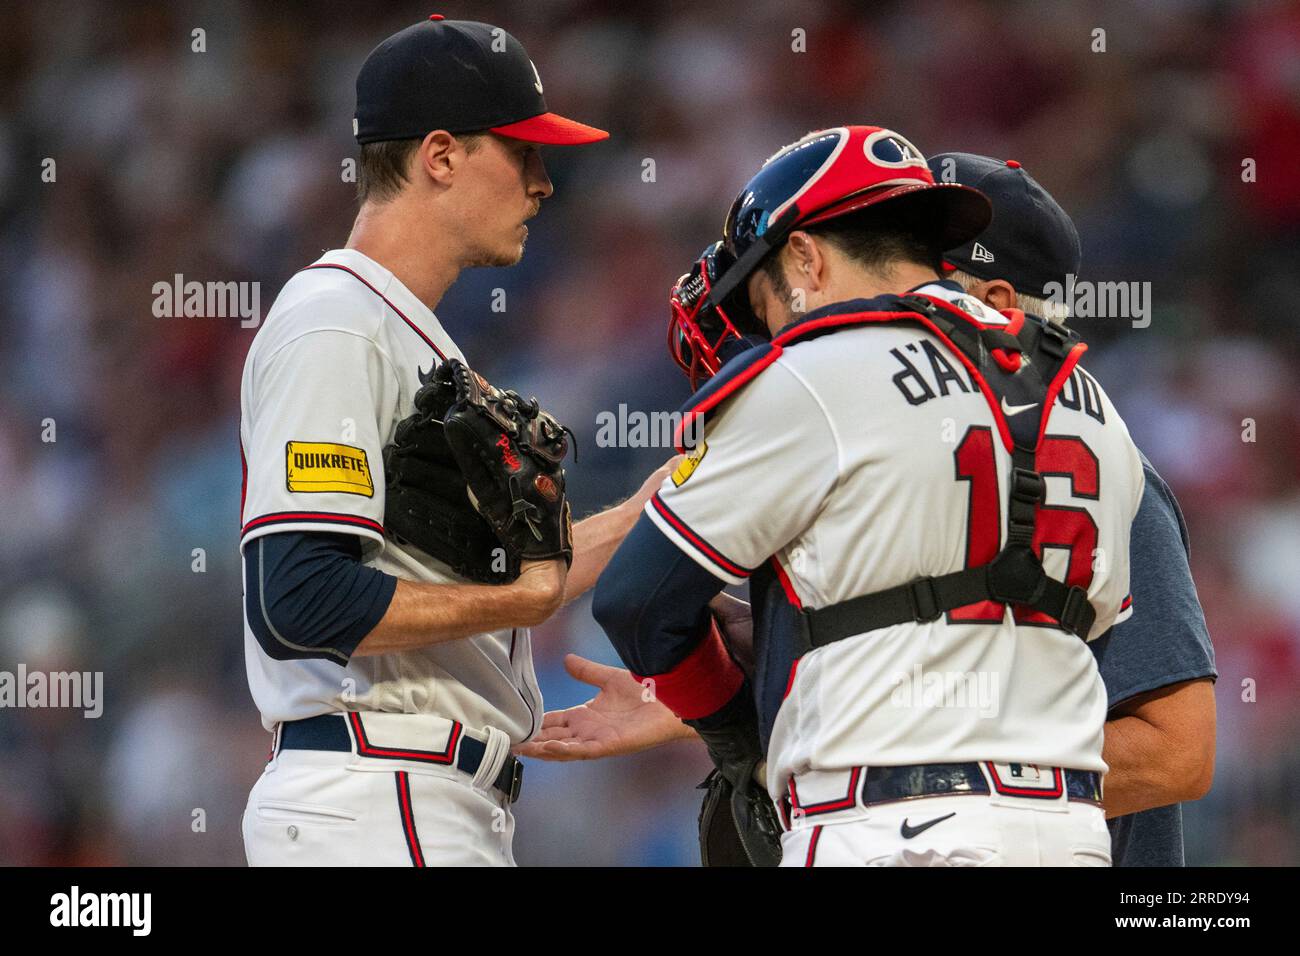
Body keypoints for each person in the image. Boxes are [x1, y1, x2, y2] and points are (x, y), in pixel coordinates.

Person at [535, 125, 1148, 866]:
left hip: (890, 827)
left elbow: (637, 600)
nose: (770, 324)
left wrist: (738, 735)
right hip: (1070, 832)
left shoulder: (816, 371)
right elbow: (1079, 638)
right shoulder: (1088, 396)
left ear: (803, 256)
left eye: (763, 302)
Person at [238, 16, 666, 867]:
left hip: (414, 796)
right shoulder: (337, 322)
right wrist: (524, 602)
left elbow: (504, 575)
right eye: (522, 154)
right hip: (376, 790)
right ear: (440, 156)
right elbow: (298, 599)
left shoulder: (414, 337)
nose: (544, 183)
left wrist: (667, 499)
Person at [930, 153, 1217, 865]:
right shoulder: (919, 460)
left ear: (995, 305)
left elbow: (1177, 752)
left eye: (915, 277)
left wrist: (932, 778)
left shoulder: (1103, 473)